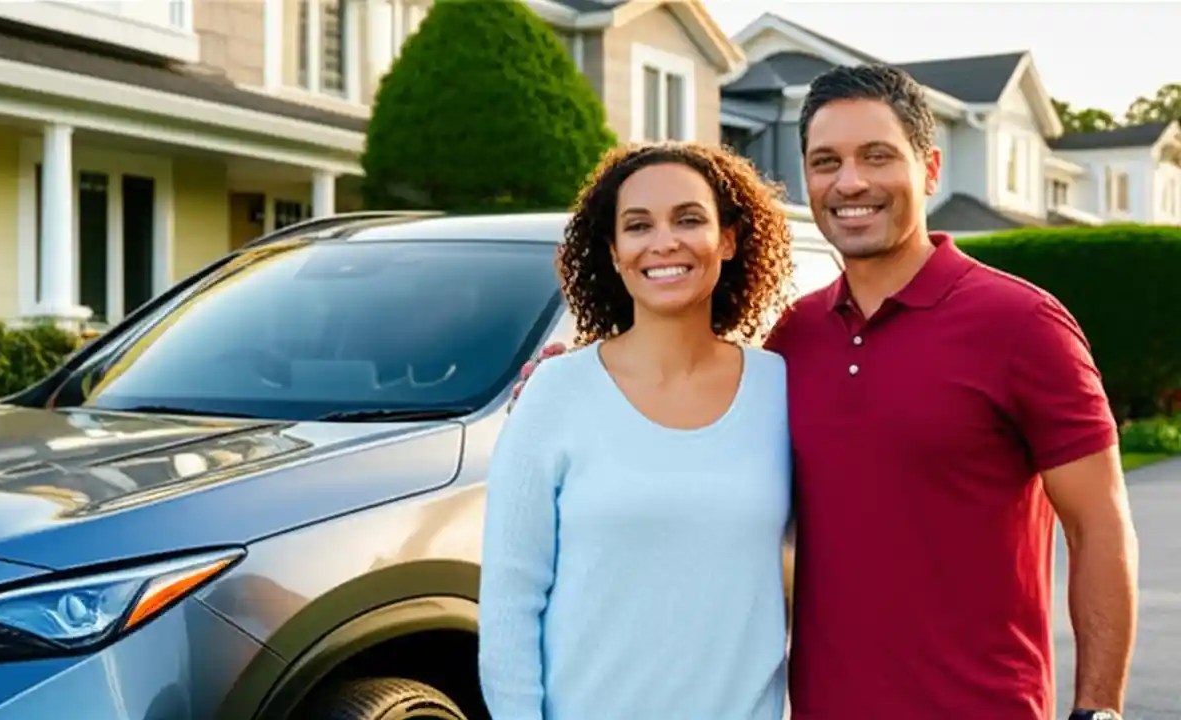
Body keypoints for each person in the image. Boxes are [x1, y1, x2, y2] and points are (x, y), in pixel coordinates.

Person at [511, 64, 1139, 720]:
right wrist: (582, 381)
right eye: (825, 161)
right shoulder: (795, 337)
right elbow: (688, 406)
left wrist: (1099, 710)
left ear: (928, 169)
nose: (851, 182)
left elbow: (1098, 525)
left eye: (877, 156)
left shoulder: (1023, 325)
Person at [477, 142, 797, 720]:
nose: (663, 242)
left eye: (689, 219)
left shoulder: (780, 390)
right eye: (638, 225)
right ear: (615, 251)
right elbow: (509, 604)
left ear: (727, 239)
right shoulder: (557, 393)